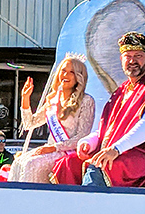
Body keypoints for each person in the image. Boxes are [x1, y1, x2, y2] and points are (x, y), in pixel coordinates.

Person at [52, 32, 145, 188]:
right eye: (128, 56)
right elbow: (108, 128)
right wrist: (89, 142)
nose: (132, 61)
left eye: (138, 56)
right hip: (122, 151)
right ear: (121, 59)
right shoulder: (122, 91)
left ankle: (87, 208)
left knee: (101, 166)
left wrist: (115, 149)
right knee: (69, 163)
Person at [8, 55, 95, 183]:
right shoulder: (53, 100)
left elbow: (82, 136)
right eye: (63, 70)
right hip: (49, 149)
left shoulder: (86, 101)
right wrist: (25, 99)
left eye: (72, 72)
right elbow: (29, 124)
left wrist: (54, 148)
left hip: (67, 152)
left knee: (32, 164)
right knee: (18, 162)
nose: (66, 75)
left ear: (79, 77)